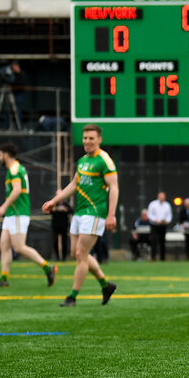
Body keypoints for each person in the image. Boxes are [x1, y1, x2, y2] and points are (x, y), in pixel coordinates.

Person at [42, 124, 118, 307]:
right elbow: (74, 184)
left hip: (95, 213)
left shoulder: (104, 160)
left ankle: (72, 296)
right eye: (85, 138)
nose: (87, 141)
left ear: (99, 139)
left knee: (80, 253)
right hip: (80, 212)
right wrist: (54, 201)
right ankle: (105, 285)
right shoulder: (83, 161)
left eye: (91, 138)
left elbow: (114, 187)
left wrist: (111, 214)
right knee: (75, 253)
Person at [0, 143, 56, 287]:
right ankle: (4, 279)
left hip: (18, 213)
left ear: (6, 154)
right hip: (12, 213)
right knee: (4, 244)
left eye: (0, 155)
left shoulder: (14, 169)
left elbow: (17, 190)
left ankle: (48, 268)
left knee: (19, 247)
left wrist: (3, 207)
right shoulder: (15, 168)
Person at [146, 191, 172, 261]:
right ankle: (153, 257)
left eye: (163, 196)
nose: (162, 198)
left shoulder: (167, 205)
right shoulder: (152, 204)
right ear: (158, 197)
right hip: (154, 225)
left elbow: (169, 215)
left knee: (162, 241)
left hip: (163, 226)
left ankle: (162, 258)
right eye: (161, 196)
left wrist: (167, 221)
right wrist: (155, 220)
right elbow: (149, 214)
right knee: (154, 241)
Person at [50, 193, 73, 261]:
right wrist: (52, 210)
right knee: (55, 241)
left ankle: (64, 258)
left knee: (64, 241)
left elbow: (71, 211)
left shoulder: (65, 204)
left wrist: (65, 209)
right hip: (55, 226)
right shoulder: (53, 204)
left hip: (64, 226)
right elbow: (48, 212)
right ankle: (57, 257)